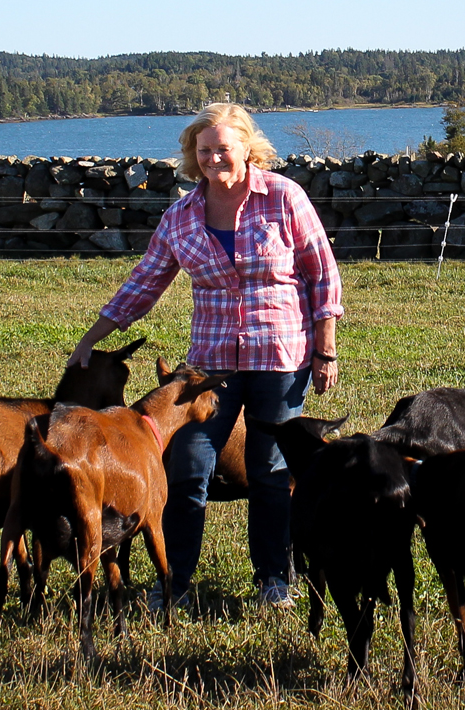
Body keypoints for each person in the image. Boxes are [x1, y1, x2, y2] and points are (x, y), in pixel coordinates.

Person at [68, 103, 343, 609]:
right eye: (204, 150)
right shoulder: (182, 216)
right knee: (188, 466)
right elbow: (143, 284)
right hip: (210, 367)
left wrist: (325, 349)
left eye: (223, 148)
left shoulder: (284, 197)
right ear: (193, 157)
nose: (214, 157)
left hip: (281, 358)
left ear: (246, 148)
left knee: (269, 471)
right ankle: (174, 583)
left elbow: (322, 273)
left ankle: (274, 580)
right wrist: (92, 338)